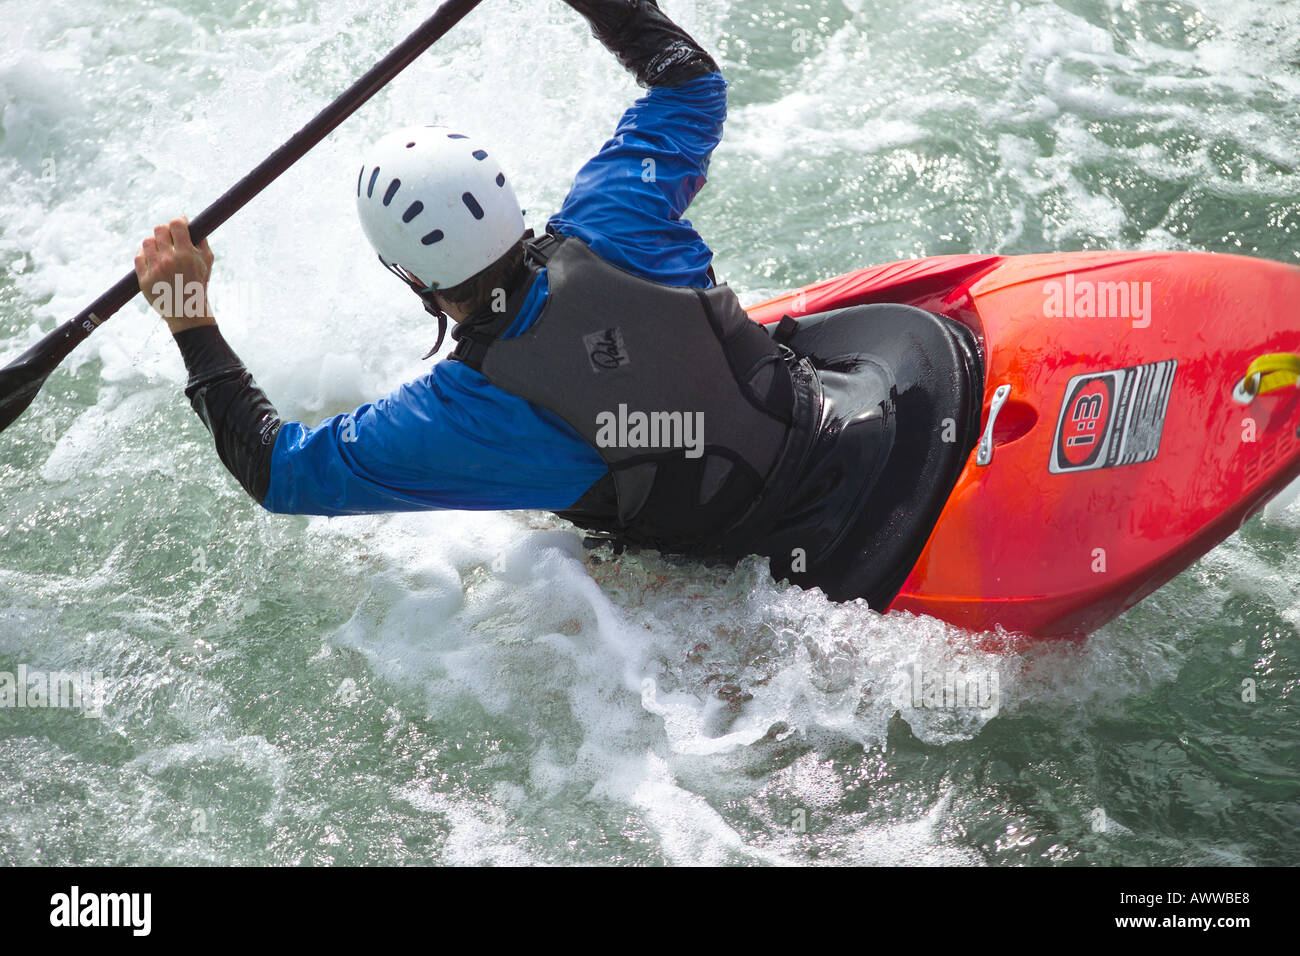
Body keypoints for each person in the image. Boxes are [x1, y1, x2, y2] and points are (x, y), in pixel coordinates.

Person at [135, 0, 985, 610]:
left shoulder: (458, 414)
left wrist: (188, 313)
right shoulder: (618, 211)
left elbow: (281, 472)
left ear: (410, 281)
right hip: (871, 438)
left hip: (781, 567)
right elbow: (689, 85)